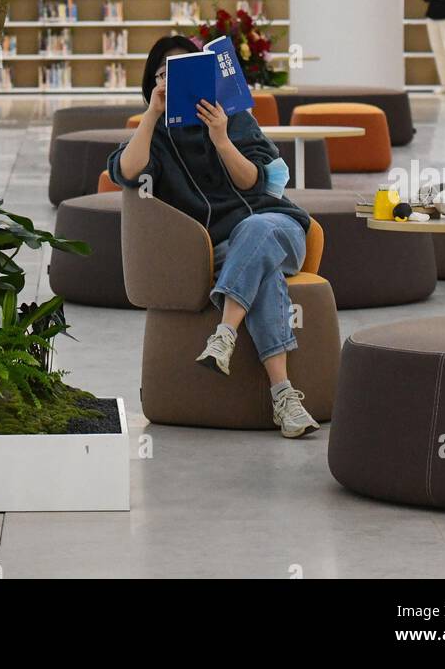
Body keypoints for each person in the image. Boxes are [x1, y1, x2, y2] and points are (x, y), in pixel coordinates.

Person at [107, 34, 319, 439]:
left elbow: (256, 183)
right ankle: (285, 397)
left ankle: (224, 334)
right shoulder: (157, 136)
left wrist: (221, 137)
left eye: (183, 71)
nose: (171, 80)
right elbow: (127, 172)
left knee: (255, 231)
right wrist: (151, 116)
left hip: (280, 228)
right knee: (261, 274)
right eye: (162, 74)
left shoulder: (235, 118)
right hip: (225, 250)